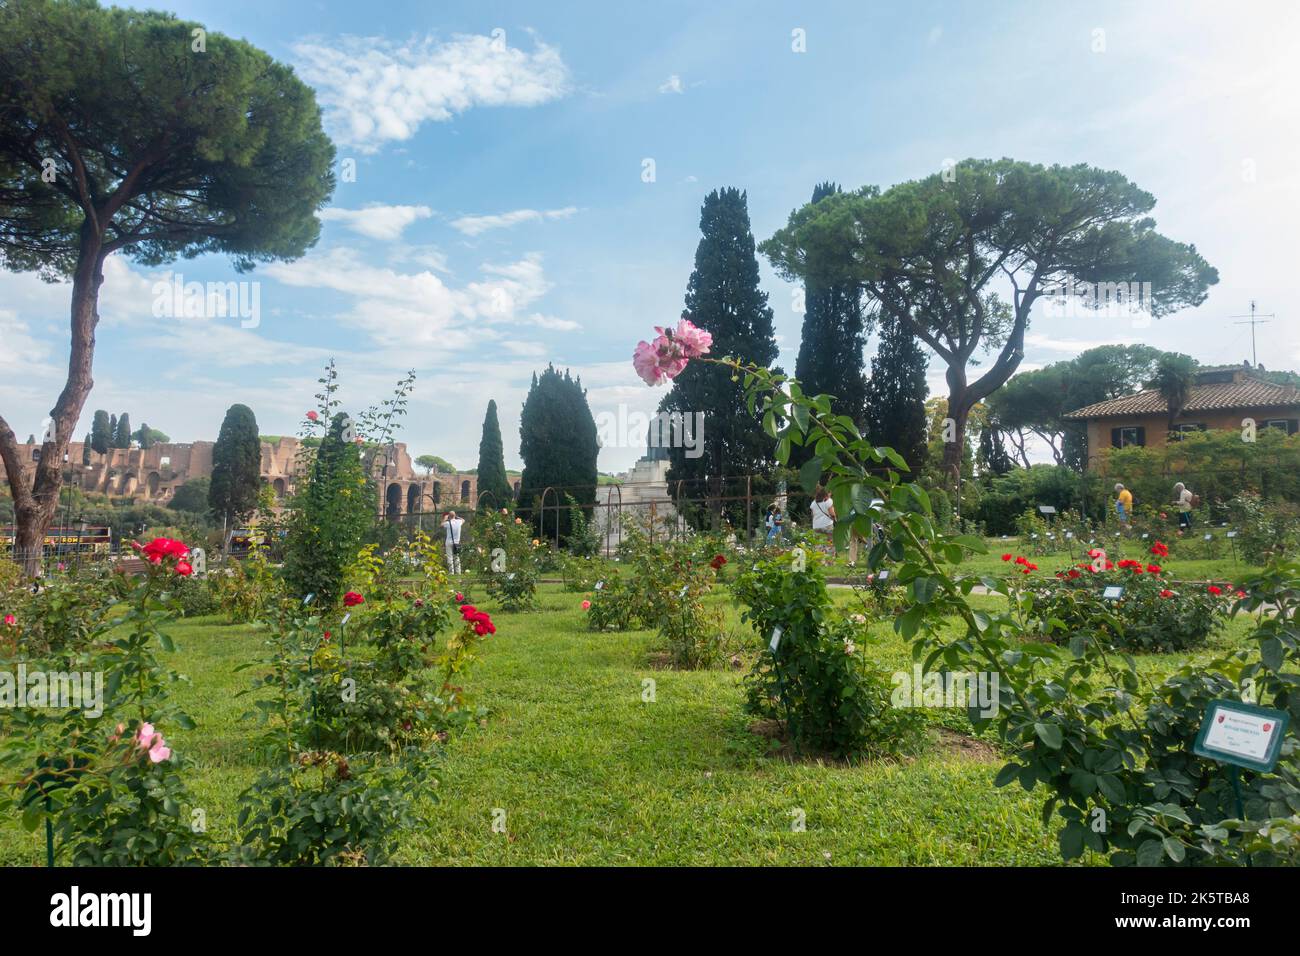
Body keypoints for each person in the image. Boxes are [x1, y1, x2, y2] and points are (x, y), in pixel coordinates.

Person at [441, 510, 465, 574]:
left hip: (449, 542)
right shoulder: (459, 522)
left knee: (450, 557)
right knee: (457, 557)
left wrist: (445, 518)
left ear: (449, 516)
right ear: (455, 515)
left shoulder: (448, 523)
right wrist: (456, 516)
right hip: (457, 542)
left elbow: (441, 525)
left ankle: (451, 572)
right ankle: (458, 572)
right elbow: (463, 520)